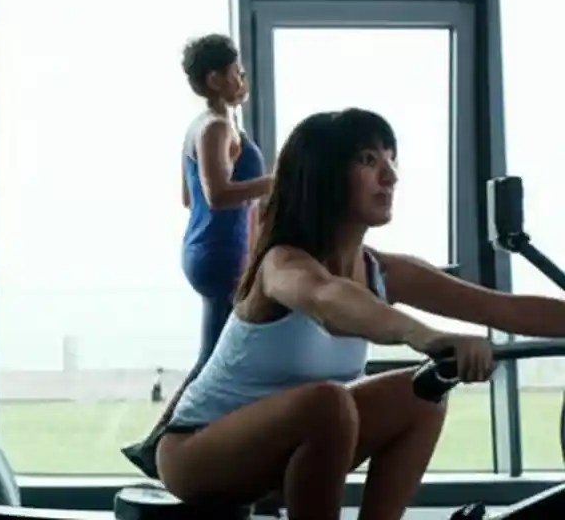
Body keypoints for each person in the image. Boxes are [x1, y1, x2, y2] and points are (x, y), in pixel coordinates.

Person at [151, 108, 565, 519]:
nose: (390, 175)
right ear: (323, 175)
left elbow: (502, 308)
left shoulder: (381, 271)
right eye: (369, 160)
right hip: (196, 452)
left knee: (422, 394)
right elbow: (329, 300)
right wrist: (427, 336)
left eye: (391, 158)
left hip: (287, 448)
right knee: (328, 403)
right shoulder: (281, 264)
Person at [124, 34, 271, 476]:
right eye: (236, 72)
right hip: (220, 254)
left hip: (207, 248)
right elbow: (218, 195)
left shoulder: (203, 127)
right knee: (217, 360)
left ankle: (172, 444)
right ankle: (159, 446)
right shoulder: (216, 128)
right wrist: (279, 181)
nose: (243, 79)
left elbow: (189, 197)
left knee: (217, 355)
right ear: (215, 79)